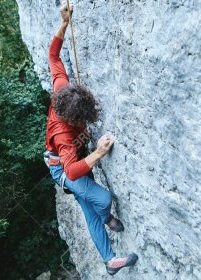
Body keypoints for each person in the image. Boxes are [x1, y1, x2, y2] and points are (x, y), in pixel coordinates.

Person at [43, 1, 138, 276]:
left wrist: (63, 23)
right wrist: (97, 152)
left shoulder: (62, 89)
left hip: (71, 159)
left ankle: (109, 261)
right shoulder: (62, 135)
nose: (85, 122)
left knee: (89, 211)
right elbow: (72, 171)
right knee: (102, 198)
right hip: (62, 167)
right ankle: (107, 218)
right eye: (81, 121)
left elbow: (53, 57)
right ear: (72, 121)